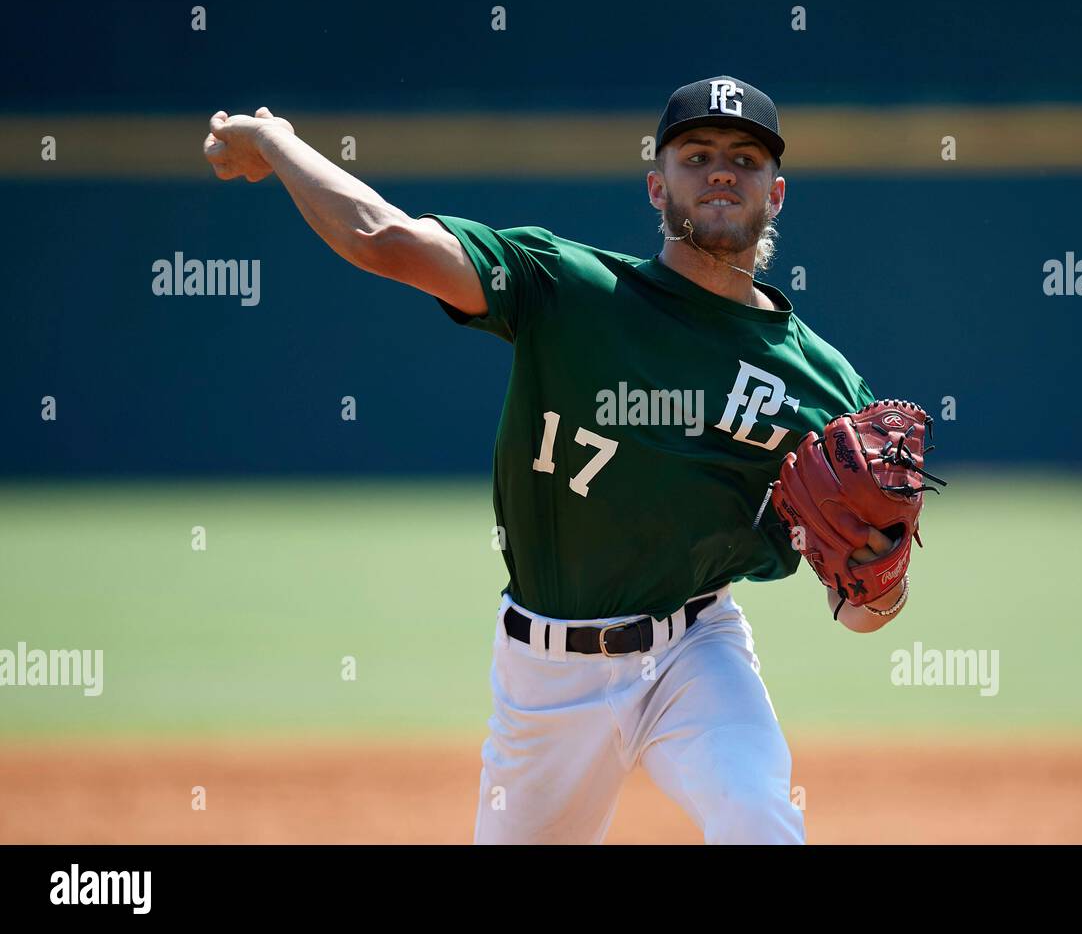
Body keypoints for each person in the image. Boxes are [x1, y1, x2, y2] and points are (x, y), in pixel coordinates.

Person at [204, 75, 907, 845]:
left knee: (758, 817)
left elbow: (863, 612)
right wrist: (278, 143)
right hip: (546, 678)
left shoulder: (827, 388)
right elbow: (386, 240)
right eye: (696, 154)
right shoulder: (568, 288)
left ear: (777, 192)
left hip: (696, 653)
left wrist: (883, 579)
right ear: (655, 184)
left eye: (745, 158)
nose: (720, 171)